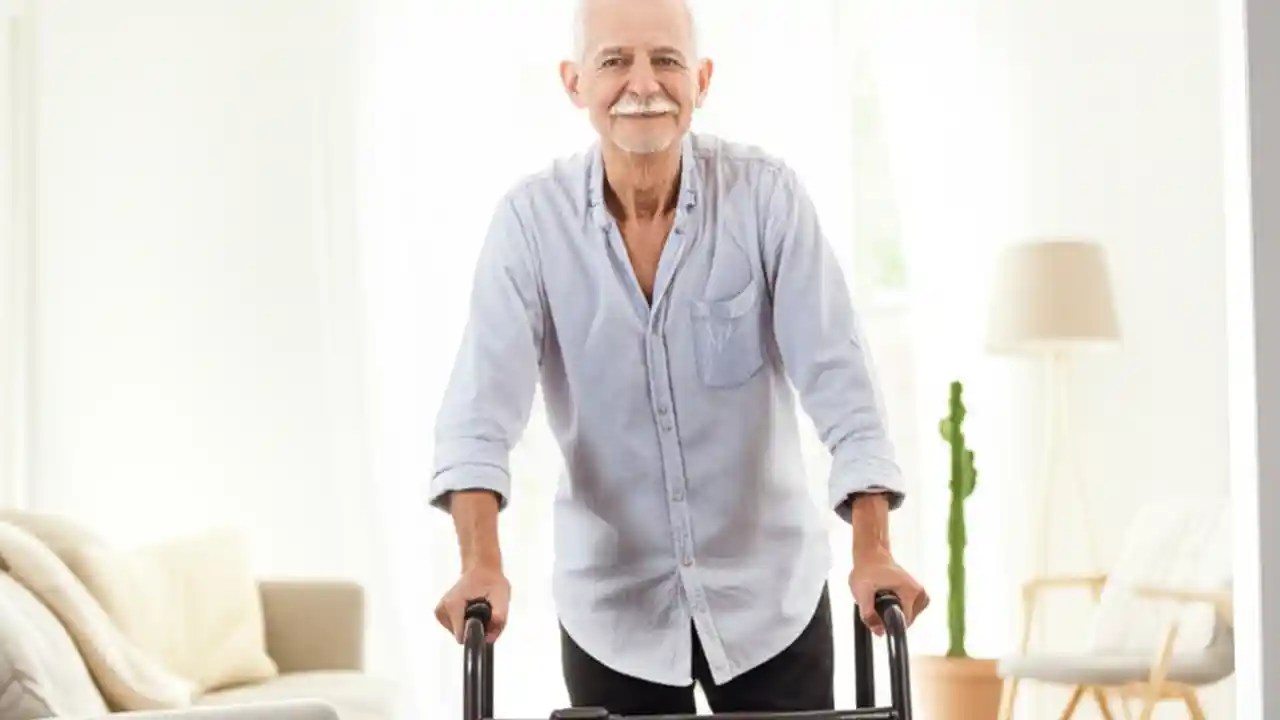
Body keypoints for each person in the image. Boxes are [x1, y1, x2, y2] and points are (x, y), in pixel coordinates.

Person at [429, 0, 928, 714]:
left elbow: (843, 389)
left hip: (769, 606)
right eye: (614, 61)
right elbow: (479, 416)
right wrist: (480, 564)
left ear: (702, 78)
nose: (643, 83)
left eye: (666, 60)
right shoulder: (530, 225)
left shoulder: (766, 198)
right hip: (615, 614)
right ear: (574, 83)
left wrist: (872, 549)